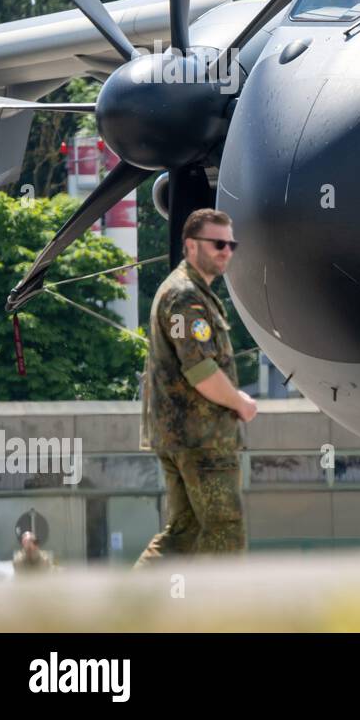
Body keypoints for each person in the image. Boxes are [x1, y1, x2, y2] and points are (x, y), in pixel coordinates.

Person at [135, 208, 257, 565]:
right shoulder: (186, 297)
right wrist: (240, 402)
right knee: (224, 528)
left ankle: (129, 612)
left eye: (230, 244)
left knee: (184, 532)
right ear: (190, 246)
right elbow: (201, 370)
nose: (226, 251)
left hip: (180, 436)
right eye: (217, 243)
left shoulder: (184, 292)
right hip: (201, 439)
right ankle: (225, 615)